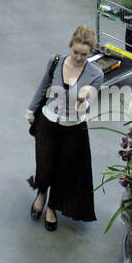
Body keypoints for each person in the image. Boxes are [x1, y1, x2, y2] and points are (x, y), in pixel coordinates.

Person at [26, 25, 104, 231]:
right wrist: (31, 111)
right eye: (75, 52)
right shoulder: (55, 62)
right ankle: (41, 193)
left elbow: (86, 110)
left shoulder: (96, 74)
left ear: (91, 53)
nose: (78, 57)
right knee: (44, 165)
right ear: (70, 46)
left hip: (73, 128)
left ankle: (52, 206)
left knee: (63, 170)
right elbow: (43, 87)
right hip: (48, 122)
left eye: (84, 55)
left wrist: (85, 97)